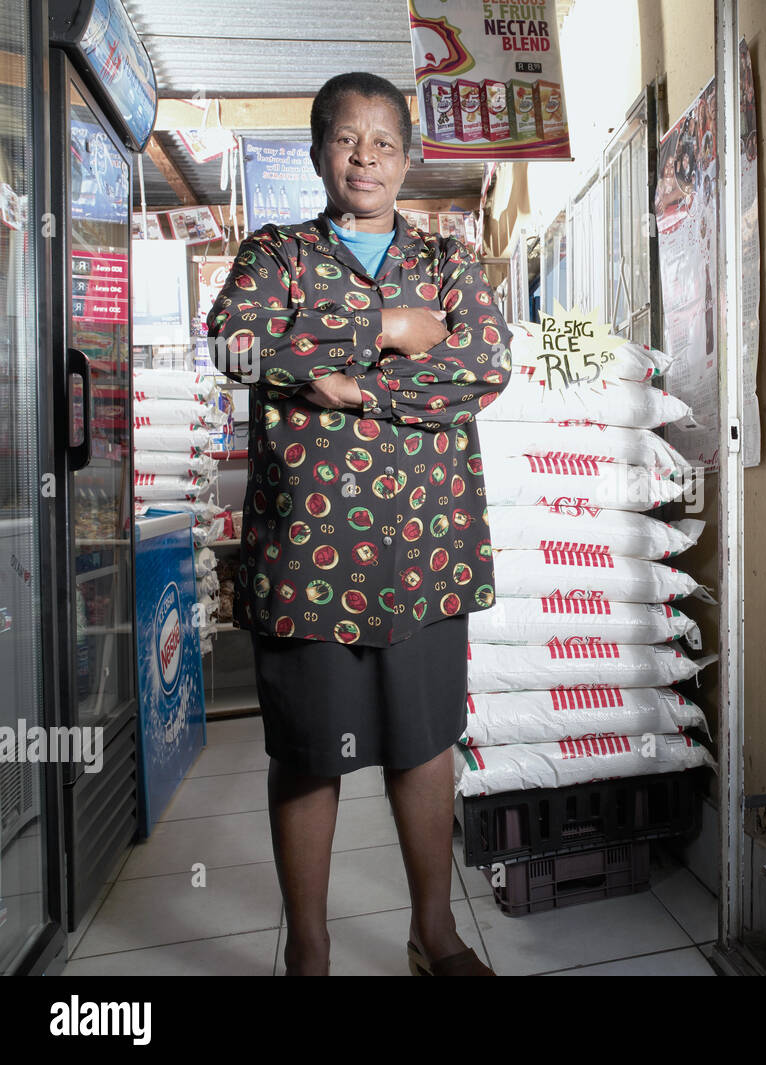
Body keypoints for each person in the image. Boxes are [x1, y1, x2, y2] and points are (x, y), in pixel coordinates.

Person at [207, 71, 512, 974]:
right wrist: (389, 323)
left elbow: (483, 366)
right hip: (306, 559)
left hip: (426, 554)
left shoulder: (450, 260)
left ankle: (435, 932)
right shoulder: (274, 254)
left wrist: (350, 382)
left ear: (410, 157)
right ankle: (309, 948)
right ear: (317, 153)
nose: (367, 155)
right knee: (309, 755)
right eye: (347, 138)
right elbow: (236, 342)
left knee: (423, 746)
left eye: (384, 140)